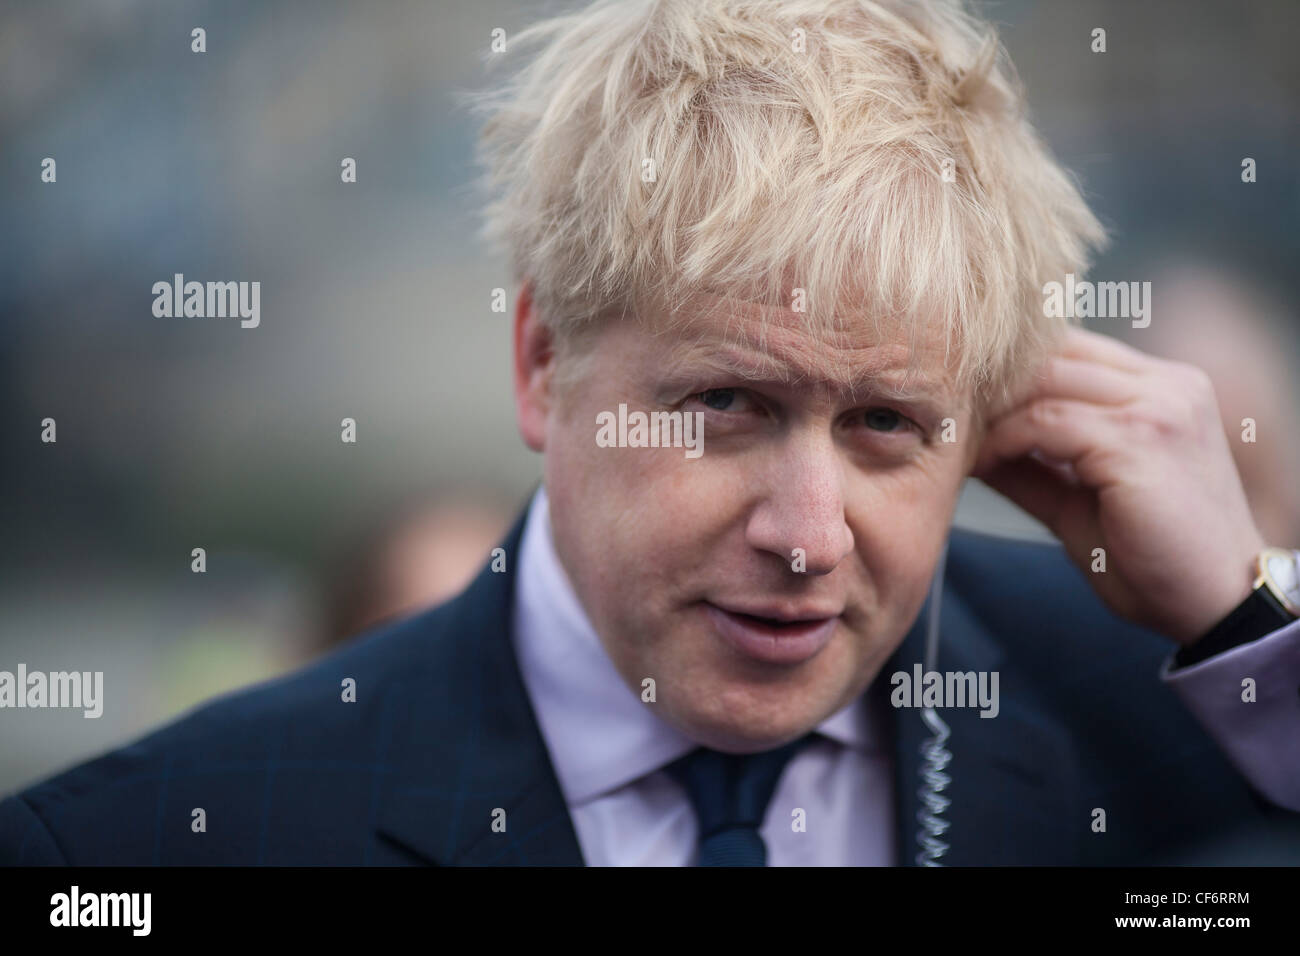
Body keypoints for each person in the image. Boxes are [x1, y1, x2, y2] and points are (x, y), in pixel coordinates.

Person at [2, 0, 1297, 866]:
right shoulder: (158, 842)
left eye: (888, 423)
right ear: (541, 361)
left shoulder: (1185, 712)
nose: (806, 536)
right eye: (729, 405)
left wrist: (1252, 634)